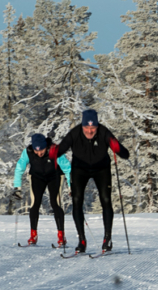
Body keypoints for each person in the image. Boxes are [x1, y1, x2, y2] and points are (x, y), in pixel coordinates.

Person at [50, 109, 129, 254]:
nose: (90, 131)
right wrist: (53, 152)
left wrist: (119, 149)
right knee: (77, 200)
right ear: (82, 126)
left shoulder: (104, 132)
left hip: (101, 169)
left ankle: (107, 239)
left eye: (93, 128)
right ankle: (81, 240)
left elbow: (123, 152)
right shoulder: (75, 133)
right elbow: (61, 149)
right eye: (87, 127)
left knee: (106, 200)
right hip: (80, 169)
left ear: (97, 126)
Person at [12, 133, 70, 246]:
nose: (39, 153)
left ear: (46, 146)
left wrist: (72, 186)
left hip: (55, 176)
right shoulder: (28, 152)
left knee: (55, 203)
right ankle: (33, 235)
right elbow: (19, 168)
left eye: (42, 150)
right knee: (35, 204)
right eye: (36, 151)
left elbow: (67, 168)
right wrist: (17, 187)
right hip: (37, 177)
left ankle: (61, 236)